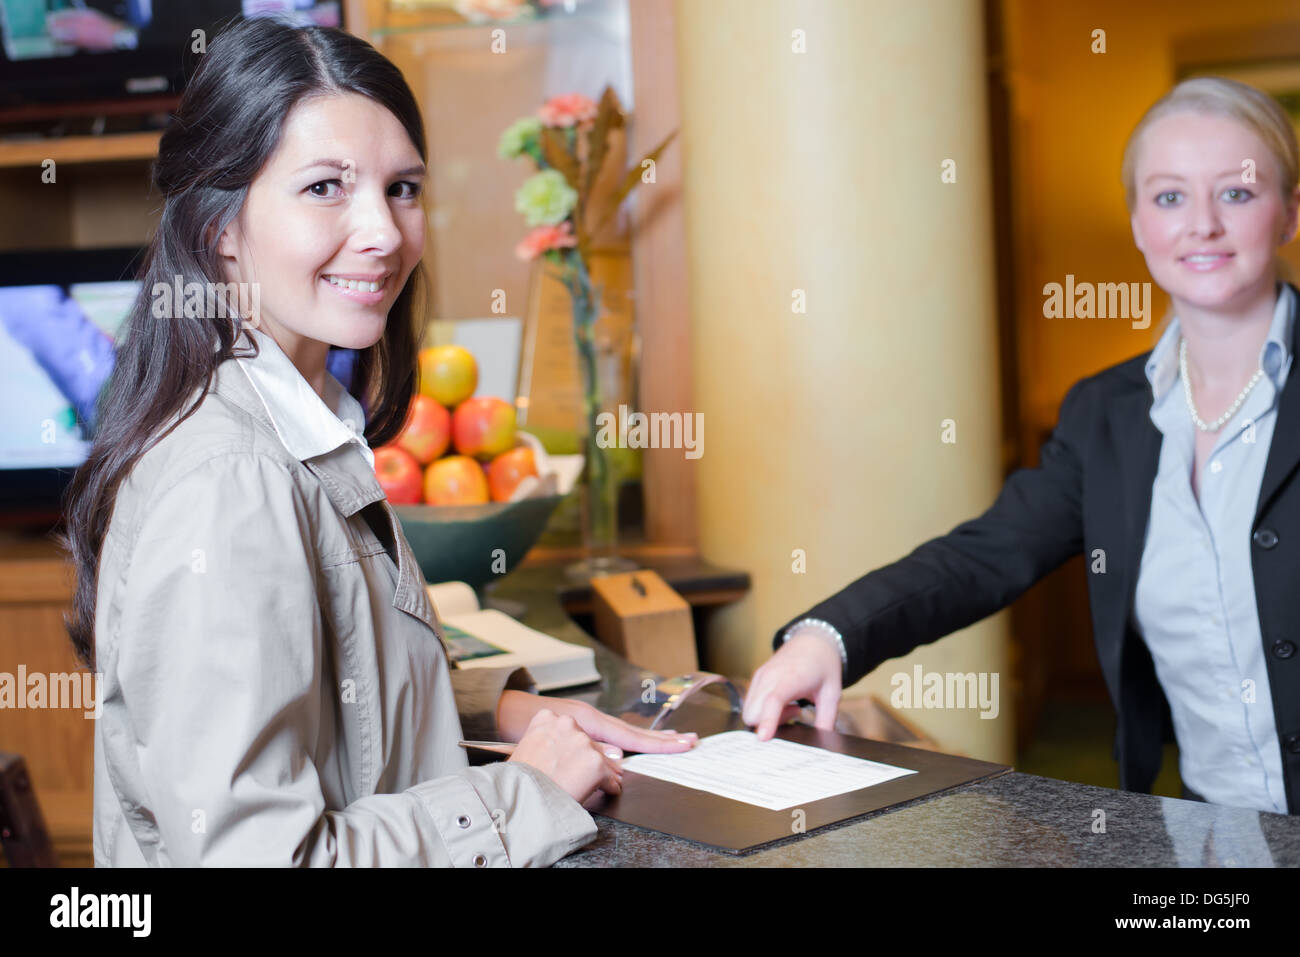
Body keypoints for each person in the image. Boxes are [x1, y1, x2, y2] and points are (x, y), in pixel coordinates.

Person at [59, 15, 695, 868]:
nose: (385, 233)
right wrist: (520, 794)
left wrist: (490, 708)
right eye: (326, 187)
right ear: (220, 227)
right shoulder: (228, 481)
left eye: (403, 188)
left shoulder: (298, 417)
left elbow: (327, 695)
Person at [743, 76, 1300, 816]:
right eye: (1169, 196)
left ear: (1290, 211)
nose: (1202, 224)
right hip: (1212, 831)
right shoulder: (1105, 412)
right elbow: (985, 553)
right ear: (1138, 222)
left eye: (1236, 192)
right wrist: (828, 636)